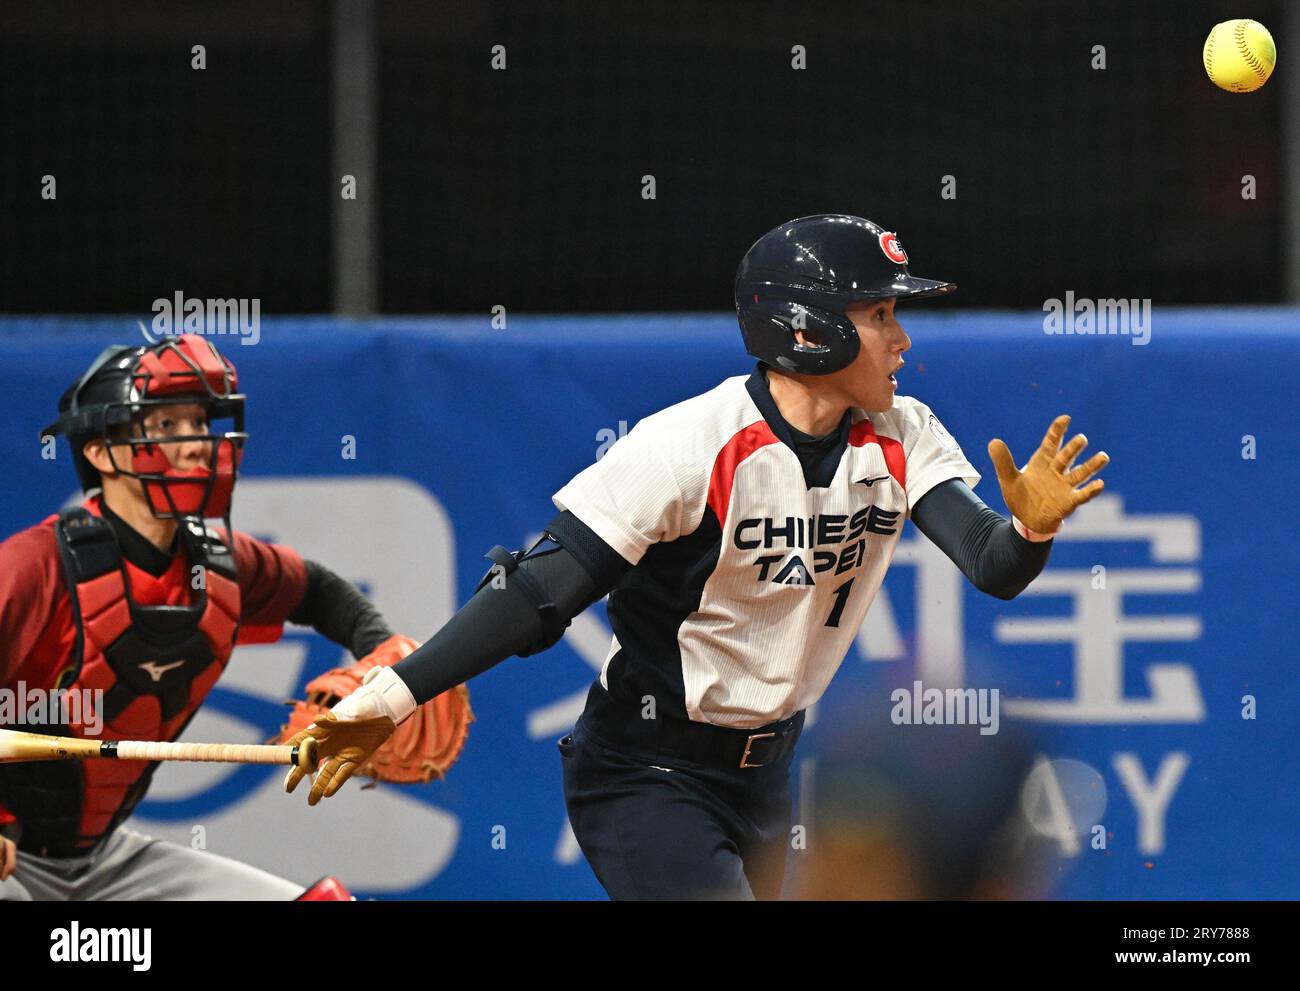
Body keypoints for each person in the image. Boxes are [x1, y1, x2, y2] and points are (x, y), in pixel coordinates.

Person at [282, 214, 1110, 900]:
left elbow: (991, 564)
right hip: (646, 769)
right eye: (878, 314)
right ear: (807, 329)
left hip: (769, 775)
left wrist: (1029, 529)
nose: (901, 338)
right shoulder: (689, 447)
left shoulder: (902, 434)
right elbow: (538, 593)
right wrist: (389, 697)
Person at [0, 333, 409, 900]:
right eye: (165, 426)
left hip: (104, 860)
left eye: (198, 423)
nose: (195, 443)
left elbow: (318, 591)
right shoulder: (35, 565)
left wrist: (386, 668)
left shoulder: (218, 564)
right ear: (98, 451)